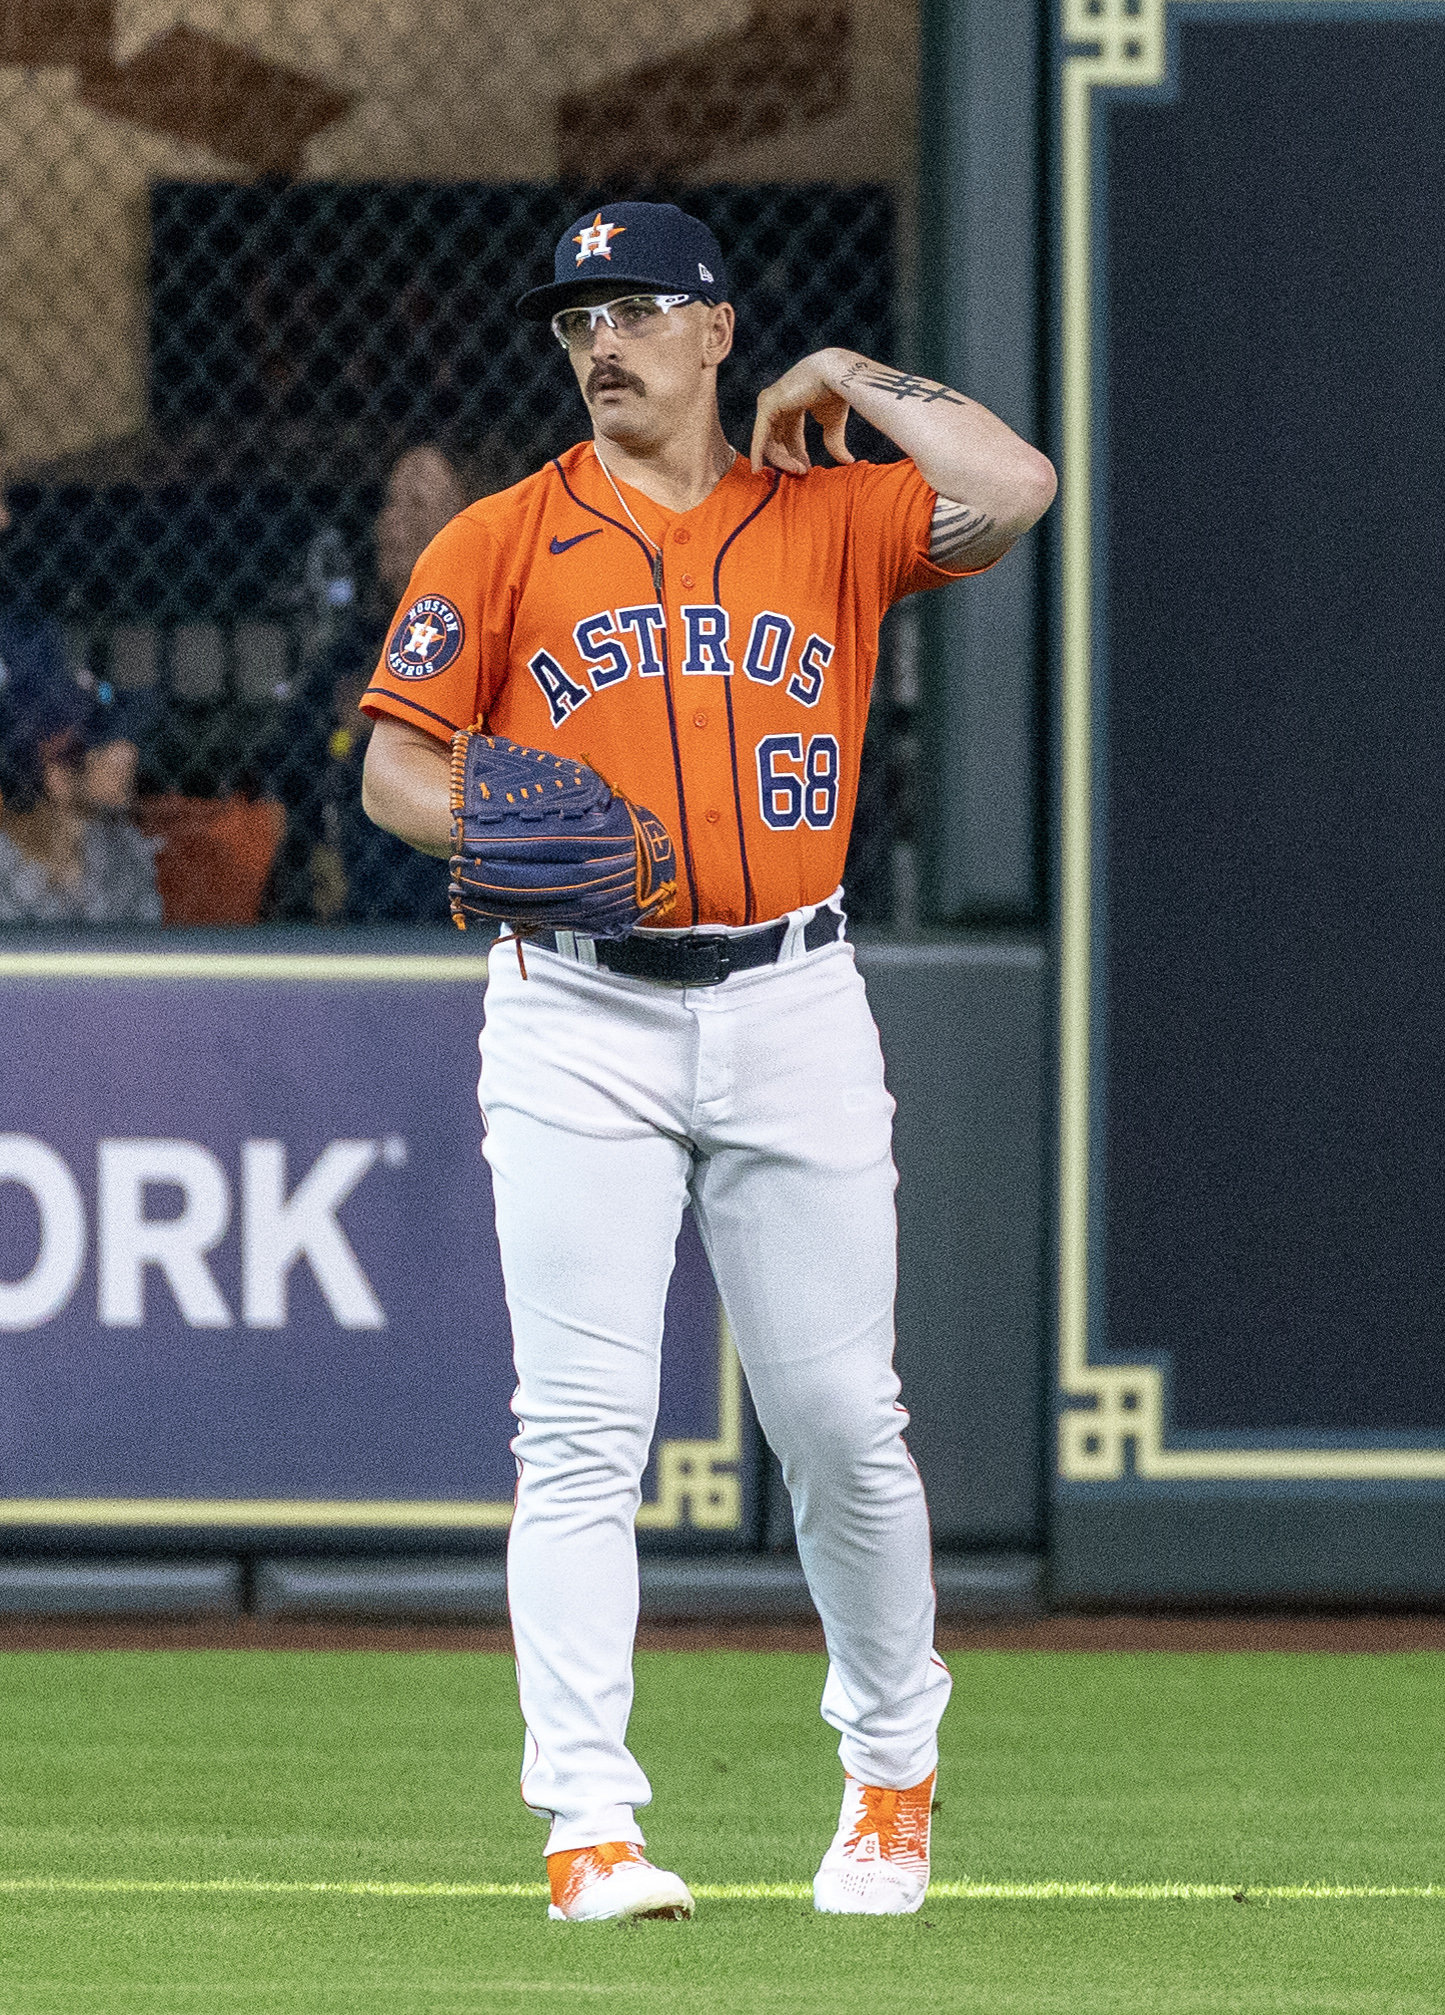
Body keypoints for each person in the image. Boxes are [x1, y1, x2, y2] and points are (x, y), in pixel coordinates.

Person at [359, 202, 1055, 1921]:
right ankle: (588, 1826)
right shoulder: (505, 539)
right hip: (576, 1011)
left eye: (635, 309)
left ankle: (890, 1776)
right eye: (576, 319)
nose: (602, 343)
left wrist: (849, 375)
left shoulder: (831, 515)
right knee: (580, 1434)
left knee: (841, 1420)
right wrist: (498, 831)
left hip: (789, 999)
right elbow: (394, 772)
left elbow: (1018, 485)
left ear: (717, 330)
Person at [267, 443, 471, 922]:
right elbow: (287, 762)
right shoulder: (353, 651)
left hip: (460, 901)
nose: (393, 523)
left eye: (417, 505)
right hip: (361, 904)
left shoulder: (495, 636)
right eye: (391, 504)